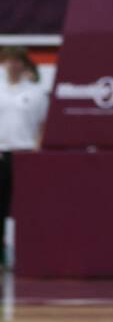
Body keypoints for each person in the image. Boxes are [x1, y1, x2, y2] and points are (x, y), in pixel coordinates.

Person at [0, 48, 48, 267]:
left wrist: (37, 149)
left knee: (26, 207)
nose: (12, 65)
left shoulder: (36, 92)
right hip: (1, 152)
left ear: (23, 64)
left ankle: (27, 252)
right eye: (8, 60)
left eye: (16, 60)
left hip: (25, 153)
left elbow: (42, 125)